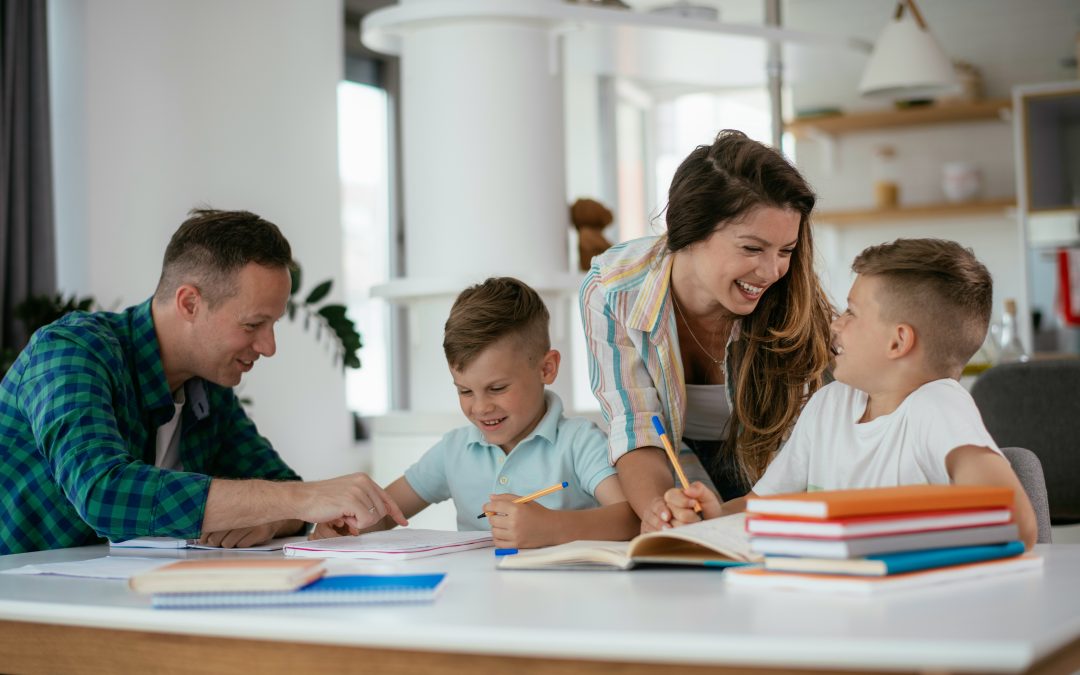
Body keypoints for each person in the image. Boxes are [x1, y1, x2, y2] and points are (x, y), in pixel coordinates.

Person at [0, 208, 406, 555]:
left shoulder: (208, 388)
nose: (268, 347)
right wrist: (299, 501)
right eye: (253, 324)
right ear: (190, 303)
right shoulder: (71, 351)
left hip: (111, 600)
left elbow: (280, 489)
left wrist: (269, 518)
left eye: (273, 324)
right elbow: (104, 492)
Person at [663, 238, 1038, 550]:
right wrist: (715, 515)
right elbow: (762, 506)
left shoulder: (936, 404)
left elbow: (1016, 521)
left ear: (898, 341)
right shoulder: (830, 404)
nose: (836, 324)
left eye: (852, 313)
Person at [580, 129, 834, 532]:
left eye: (785, 251)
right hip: (676, 465)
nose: (772, 272)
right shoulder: (612, 290)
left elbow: (799, 473)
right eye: (752, 248)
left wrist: (715, 523)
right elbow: (634, 427)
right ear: (689, 231)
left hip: (779, 481)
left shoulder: (796, 306)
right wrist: (664, 513)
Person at [314, 277, 638, 548]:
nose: (481, 407)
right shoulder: (454, 450)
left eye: (497, 388)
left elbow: (631, 516)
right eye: (465, 391)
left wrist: (552, 527)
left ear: (547, 368)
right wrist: (349, 525)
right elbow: (386, 512)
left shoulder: (579, 442)